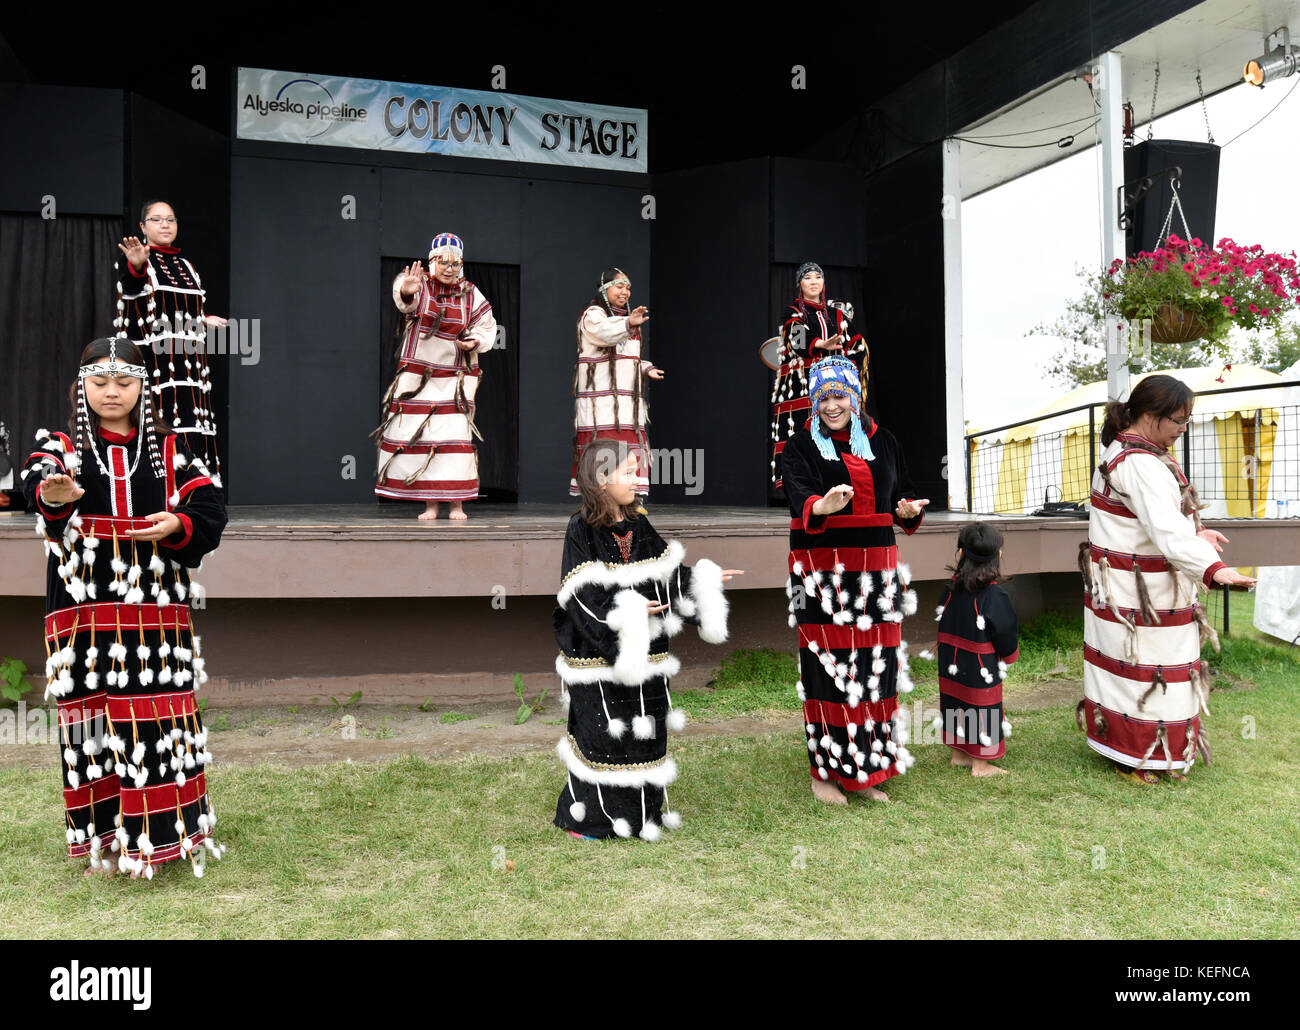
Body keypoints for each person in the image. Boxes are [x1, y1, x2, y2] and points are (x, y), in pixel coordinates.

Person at [19, 337, 227, 878]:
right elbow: (37, 481)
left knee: (153, 719)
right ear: (81, 386)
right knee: (89, 725)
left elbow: (210, 510)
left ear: (143, 388)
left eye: (125, 382)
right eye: (100, 382)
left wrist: (179, 524)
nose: (112, 392)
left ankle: (163, 836)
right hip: (82, 611)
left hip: (152, 613)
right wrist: (56, 496)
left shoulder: (174, 450)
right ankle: (105, 843)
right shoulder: (64, 447)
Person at [552, 438, 741, 840]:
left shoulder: (639, 524)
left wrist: (700, 580)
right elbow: (581, 596)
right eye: (629, 472)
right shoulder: (579, 529)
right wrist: (627, 617)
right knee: (603, 732)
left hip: (648, 656)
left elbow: (664, 574)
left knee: (644, 729)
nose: (638, 480)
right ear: (602, 479)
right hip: (599, 658)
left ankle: (641, 817)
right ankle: (593, 821)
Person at [1081, 374, 1256, 783]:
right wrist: (1214, 568)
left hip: (1134, 588)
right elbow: (1164, 529)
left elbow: (1153, 523)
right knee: (1147, 670)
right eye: (1178, 420)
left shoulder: (1126, 450)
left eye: (1186, 421)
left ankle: (1141, 751)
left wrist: (1196, 536)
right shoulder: (1140, 462)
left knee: (1138, 666)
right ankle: (1139, 756)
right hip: (1139, 593)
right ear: (1149, 415)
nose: (1182, 429)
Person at [780, 356, 928, 804]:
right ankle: (825, 773)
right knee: (828, 669)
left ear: (855, 395)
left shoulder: (884, 441)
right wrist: (821, 507)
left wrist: (908, 509)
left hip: (878, 573)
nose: (831, 405)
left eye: (839, 395)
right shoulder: (798, 448)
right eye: (822, 397)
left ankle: (867, 768)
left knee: (874, 669)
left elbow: (900, 490)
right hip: (820, 574)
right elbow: (798, 496)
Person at [374, 233, 498, 520]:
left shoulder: (470, 292)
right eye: (443, 262)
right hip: (420, 377)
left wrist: (474, 342)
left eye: (455, 263)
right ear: (432, 262)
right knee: (425, 439)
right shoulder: (422, 285)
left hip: (454, 378)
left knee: (455, 439)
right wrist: (406, 290)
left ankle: (457, 504)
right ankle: (430, 504)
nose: (449, 268)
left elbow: (486, 324)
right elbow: (405, 299)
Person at [115, 200, 228, 479]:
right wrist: (137, 266)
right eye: (156, 219)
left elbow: (173, 310)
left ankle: (192, 490)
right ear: (142, 226)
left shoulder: (186, 266)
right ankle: (159, 488)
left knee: (190, 423)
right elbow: (131, 290)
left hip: (188, 364)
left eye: (170, 219)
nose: (165, 224)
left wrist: (203, 320)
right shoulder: (138, 258)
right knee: (160, 422)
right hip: (155, 364)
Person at [570, 268, 664, 498]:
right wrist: (627, 323)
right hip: (600, 407)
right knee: (603, 451)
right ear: (604, 289)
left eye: (628, 288)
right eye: (619, 286)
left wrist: (646, 367)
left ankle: (631, 503)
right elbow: (604, 334)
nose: (625, 292)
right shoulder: (593, 315)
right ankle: (599, 503)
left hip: (627, 407)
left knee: (630, 452)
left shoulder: (628, 323)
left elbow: (628, 359)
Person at [770, 262, 865, 489]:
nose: (813, 281)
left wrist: (847, 368)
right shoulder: (793, 312)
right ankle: (802, 489)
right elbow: (798, 340)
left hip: (836, 386)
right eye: (807, 278)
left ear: (823, 283)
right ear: (799, 285)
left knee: (837, 430)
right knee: (803, 433)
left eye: (817, 277)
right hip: (802, 387)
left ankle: (840, 483)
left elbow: (858, 345)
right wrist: (822, 344)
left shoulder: (838, 315)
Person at [935, 522, 1019, 777]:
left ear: (960, 554)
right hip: (980, 665)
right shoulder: (995, 596)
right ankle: (981, 765)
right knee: (983, 707)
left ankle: (959, 755)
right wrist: (1009, 654)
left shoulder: (950, 589)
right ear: (999, 555)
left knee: (955, 703)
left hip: (951, 662)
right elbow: (1005, 630)